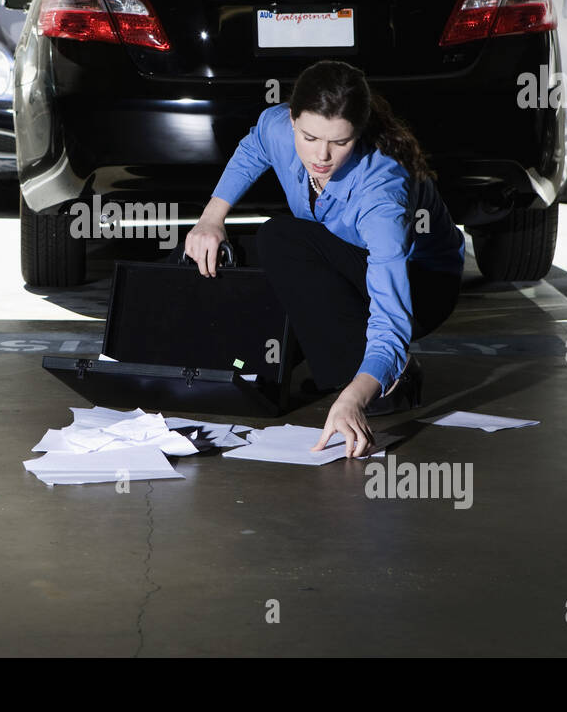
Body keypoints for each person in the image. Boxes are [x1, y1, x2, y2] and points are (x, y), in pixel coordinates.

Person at [184, 60, 464, 458]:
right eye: (309, 137)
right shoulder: (278, 126)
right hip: (350, 260)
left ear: (360, 132)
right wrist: (211, 218)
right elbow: (254, 147)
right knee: (252, 246)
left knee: (281, 237)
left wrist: (356, 395)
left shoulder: (382, 195)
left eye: (340, 142)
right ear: (292, 119)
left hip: (422, 285)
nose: (322, 156)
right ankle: (306, 363)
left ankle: (385, 382)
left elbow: (392, 314)